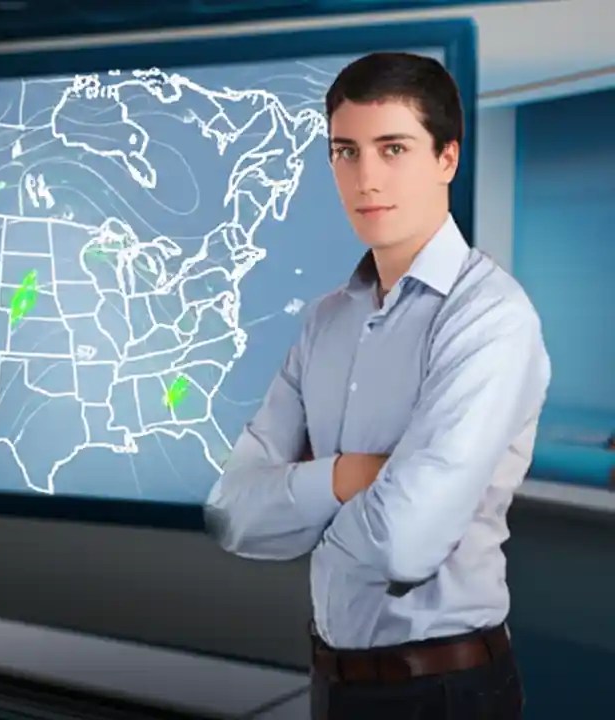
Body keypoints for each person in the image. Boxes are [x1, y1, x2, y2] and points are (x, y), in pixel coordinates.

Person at [204, 51, 550, 719]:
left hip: (447, 693)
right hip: (333, 684)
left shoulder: (490, 318)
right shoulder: (326, 321)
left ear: (447, 158)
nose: (366, 178)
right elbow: (230, 512)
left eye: (393, 149)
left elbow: (406, 541)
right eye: (346, 151)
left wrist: (301, 511)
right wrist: (350, 476)